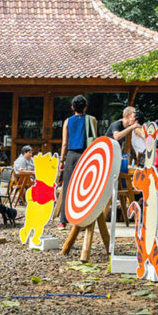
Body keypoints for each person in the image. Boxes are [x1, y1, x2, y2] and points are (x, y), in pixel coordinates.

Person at [58, 95, 99, 228]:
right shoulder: (92, 120)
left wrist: (62, 160)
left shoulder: (67, 121)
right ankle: (83, 220)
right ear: (85, 107)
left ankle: (63, 221)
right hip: (86, 155)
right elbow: (94, 138)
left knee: (68, 187)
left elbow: (64, 143)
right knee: (85, 187)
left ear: (72, 107)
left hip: (71, 155)